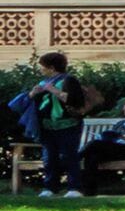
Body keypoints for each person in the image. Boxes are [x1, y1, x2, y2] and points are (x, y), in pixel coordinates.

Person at [22, 52, 94, 198]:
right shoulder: (44, 82)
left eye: (43, 66)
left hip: (68, 126)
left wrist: (53, 90)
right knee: (49, 158)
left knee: (69, 156)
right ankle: (50, 188)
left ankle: (74, 188)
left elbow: (75, 101)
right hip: (48, 126)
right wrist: (33, 94)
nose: (41, 69)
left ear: (52, 67)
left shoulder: (69, 80)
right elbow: (32, 103)